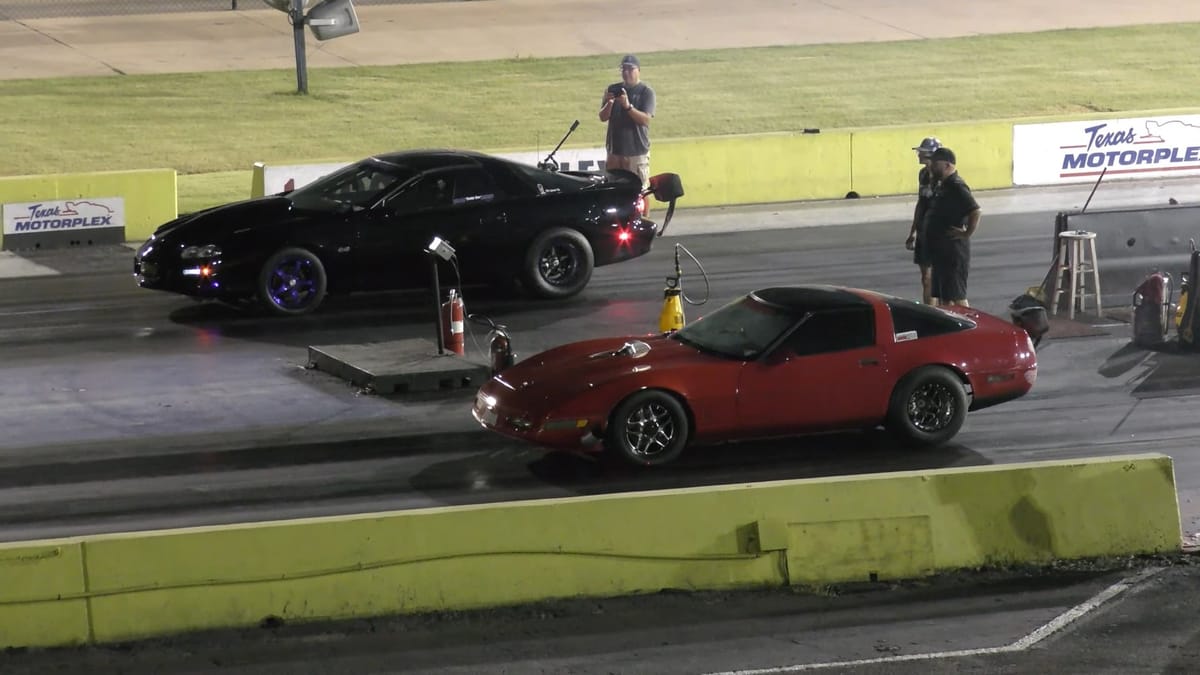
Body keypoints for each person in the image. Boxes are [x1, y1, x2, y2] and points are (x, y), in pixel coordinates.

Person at [923, 147, 981, 307]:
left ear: (947, 165)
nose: (932, 166)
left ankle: (972, 328)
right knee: (945, 298)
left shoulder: (957, 185)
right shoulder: (944, 184)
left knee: (957, 296)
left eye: (936, 163)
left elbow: (975, 210)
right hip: (942, 251)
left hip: (953, 252)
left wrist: (966, 233)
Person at [599, 54, 656, 190]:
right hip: (614, 153)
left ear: (638, 70)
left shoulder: (646, 92)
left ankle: (643, 213)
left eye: (630, 69)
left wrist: (627, 106)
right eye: (623, 69)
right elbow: (602, 117)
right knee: (612, 191)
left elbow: (645, 120)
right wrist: (609, 103)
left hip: (636, 154)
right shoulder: (612, 89)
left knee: (640, 191)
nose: (626, 73)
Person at [905, 137, 941, 305]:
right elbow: (921, 203)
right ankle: (930, 310)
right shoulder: (922, 174)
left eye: (922, 152)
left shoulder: (943, 177)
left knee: (938, 278)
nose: (919, 155)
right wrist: (912, 231)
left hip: (937, 232)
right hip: (923, 231)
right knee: (926, 278)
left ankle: (939, 310)